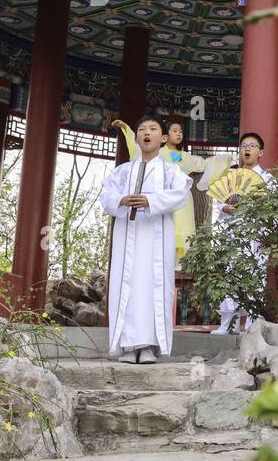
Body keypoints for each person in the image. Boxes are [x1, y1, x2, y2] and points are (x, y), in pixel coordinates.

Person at [100, 114, 192, 363]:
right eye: (142, 129)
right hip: (127, 233)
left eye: (153, 129)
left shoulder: (170, 170)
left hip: (156, 237)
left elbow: (181, 193)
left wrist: (151, 201)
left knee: (154, 284)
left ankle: (150, 345)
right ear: (137, 137)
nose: (147, 133)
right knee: (126, 283)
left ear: (163, 138)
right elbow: (106, 195)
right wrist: (122, 200)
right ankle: (128, 346)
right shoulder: (123, 171)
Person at [112, 117, 231, 261]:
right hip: (163, 197)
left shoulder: (188, 158)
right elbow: (139, 151)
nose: (179, 134)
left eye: (180, 131)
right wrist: (127, 130)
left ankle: (181, 266)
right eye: (175, 131)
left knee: (184, 233)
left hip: (183, 200)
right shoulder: (158, 153)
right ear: (164, 136)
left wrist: (225, 159)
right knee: (162, 232)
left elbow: (206, 165)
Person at [211, 132, 269, 335]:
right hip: (233, 235)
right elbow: (220, 201)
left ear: (261, 152)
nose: (247, 149)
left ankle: (252, 326)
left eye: (252, 146)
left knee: (255, 280)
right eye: (244, 145)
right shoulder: (231, 176)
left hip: (256, 236)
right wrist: (224, 208)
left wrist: (268, 235)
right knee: (230, 278)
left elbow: (273, 210)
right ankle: (228, 324)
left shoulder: (267, 178)